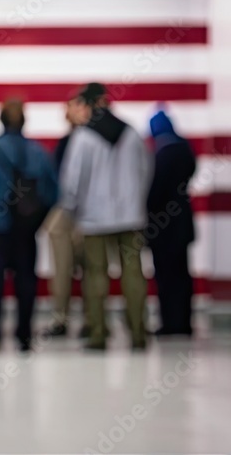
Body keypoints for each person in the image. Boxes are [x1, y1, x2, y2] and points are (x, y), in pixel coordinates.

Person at [59, 83, 153, 351]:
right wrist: (137, 203)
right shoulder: (132, 133)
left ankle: (99, 333)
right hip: (131, 217)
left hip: (94, 218)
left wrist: (71, 209)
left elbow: (72, 179)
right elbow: (146, 171)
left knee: (96, 275)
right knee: (133, 274)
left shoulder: (84, 137)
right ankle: (138, 334)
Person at [0, 100, 57, 352]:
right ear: (24, 121)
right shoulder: (38, 151)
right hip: (26, 229)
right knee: (26, 284)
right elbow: (52, 191)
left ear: (1, 121)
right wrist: (37, 218)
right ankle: (24, 336)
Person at [41, 96, 89, 338]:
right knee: (64, 269)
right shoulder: (67, 142)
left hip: (87, 214)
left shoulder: (91, 141)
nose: (66, 112)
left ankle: (92, 320)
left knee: (90, 270)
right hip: (69, 212)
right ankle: (63, 318)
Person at [147, 109, 197, 337]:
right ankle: (184, 322)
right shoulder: (185, 150)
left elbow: (155, 192)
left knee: (166, 277)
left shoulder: (162, 153)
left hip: (163, 225)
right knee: (182, 275)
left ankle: (170, 323)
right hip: (183, 222)